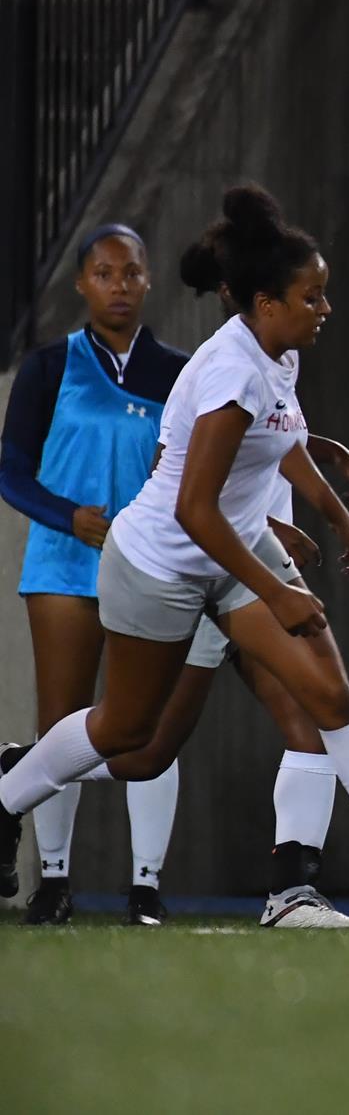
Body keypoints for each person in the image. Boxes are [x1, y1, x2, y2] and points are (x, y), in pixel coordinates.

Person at [0, 185, 349, 917]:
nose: (325, 309)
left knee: (330, 693)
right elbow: (194, 507)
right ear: (263, 303)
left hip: (232, 550)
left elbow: (281, 441)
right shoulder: (231, 369)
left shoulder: (277, 353)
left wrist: (339, 519)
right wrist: (276, 587)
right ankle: (8, 791)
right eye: (312, 297)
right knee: (129, 736)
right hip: (162, 561)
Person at [0, 225, 189, 924]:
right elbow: (11, 470)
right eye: (104, 273)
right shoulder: (51, 367)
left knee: (150, 725)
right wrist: (65, 515)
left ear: (147, 280)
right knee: (66, 723)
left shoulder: (177, 372)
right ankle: (54, 880)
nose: (118, 285)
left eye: (130, 272)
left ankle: (145, 884)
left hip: (151, 564)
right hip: (63, 563)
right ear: (82, 284)